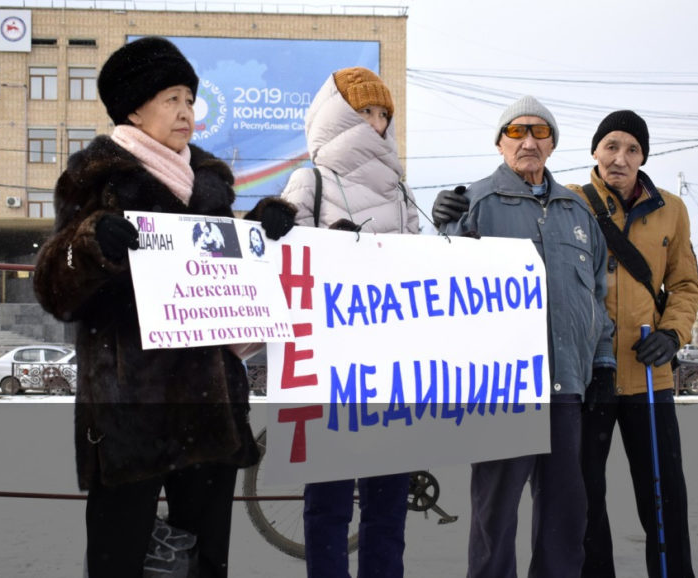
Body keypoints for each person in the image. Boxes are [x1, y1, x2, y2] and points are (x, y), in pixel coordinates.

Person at [32, 36, 295, 578]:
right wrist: (92, 243)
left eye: (190, 100)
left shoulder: (210, 184)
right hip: (132, 409)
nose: (186, 112)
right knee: (120, 559)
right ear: (134, 107)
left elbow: (218, 268)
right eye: (171, 98)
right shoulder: (95, 178)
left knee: (206, 562)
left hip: (209, 405)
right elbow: (52, 286)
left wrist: (262, 228)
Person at [438, 95, 616, 578]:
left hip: (566, 388)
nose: (529, 141)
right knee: (496, 517)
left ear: (553, 144)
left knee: (566, 513)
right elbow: (438, 285)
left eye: (540, 132)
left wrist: (603, 366)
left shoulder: (578, 212)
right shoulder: (474, 201)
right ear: (500, 142)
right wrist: (444, 228)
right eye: (516, 132)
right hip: (503, 390)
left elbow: (599, 297)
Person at [280, 66, 418, 578]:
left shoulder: (402, 192)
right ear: (339, 115)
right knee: (329, 507)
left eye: (384, 113)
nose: (378, 123)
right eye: (366, 111)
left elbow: (422, 276)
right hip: (329, 370)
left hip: (390, 370)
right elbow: (277, 261)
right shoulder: (309, 180)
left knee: (387, 508)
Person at [570, 111, 698, 578]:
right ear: (595, 151)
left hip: (650, 379)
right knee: (584, 500)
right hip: (586, 378)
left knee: (665, 498)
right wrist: (461, 214)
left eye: (632, 149)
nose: (620, 158)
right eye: (611, 146)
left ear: (644, 156)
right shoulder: (568, 203)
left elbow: (685, 284)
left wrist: (672, 333)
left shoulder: (671, 209)